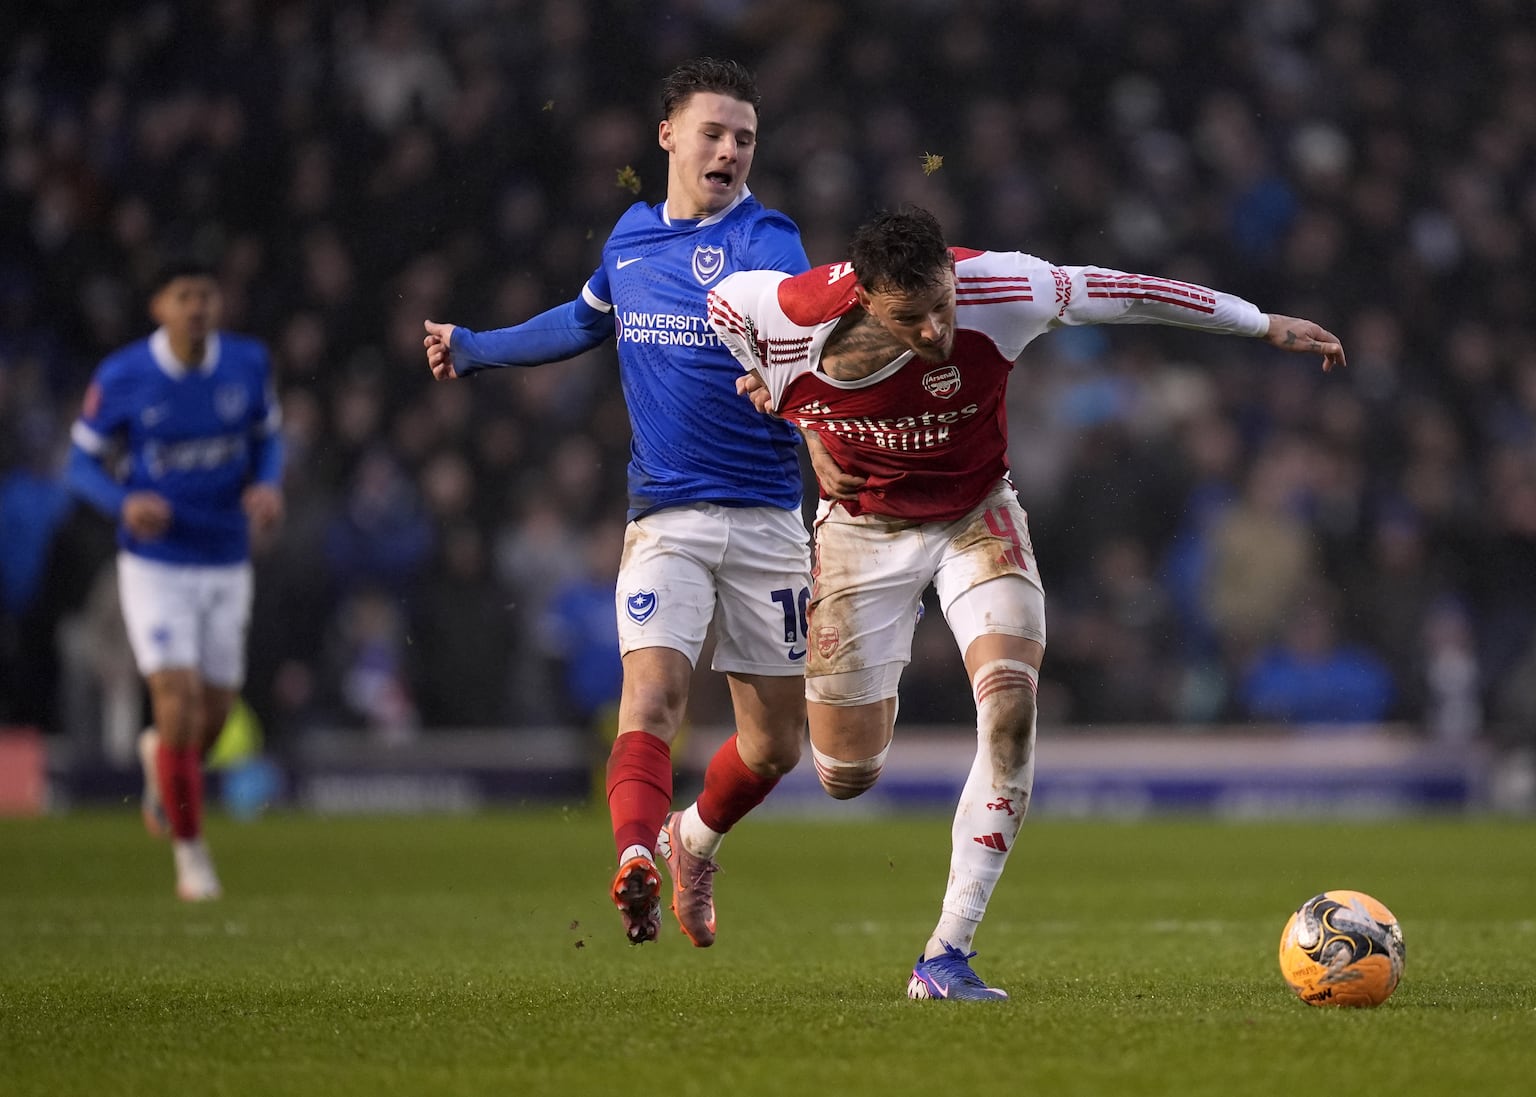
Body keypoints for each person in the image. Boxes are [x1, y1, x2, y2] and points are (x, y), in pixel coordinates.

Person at [706, 205, 1346, 999]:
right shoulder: (783, 311)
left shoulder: (1003, 287)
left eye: (942, 303)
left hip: (977, 517)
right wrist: (796, 416)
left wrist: (1260, 324)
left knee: (1010, 706)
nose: (936, 329)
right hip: (862, 533)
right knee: (845, 773)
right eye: (912, 317)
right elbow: (721, 313)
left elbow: (1125, 291)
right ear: (865, 298)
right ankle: (696, 827)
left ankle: (946, 951)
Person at [422, 58, 820, 947]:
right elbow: (580, 320)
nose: (730, 151)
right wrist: (474, 347)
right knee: (651, 698)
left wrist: (788, 372)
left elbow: (810, 327)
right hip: (666, 517)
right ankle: (636, 853)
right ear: (668, 136)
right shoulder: (631, 240)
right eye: (713, 133)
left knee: (774, 747)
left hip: (766, 519)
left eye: (745, 139)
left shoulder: (769, 240)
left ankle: (691, 838)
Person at [65, 257, 285, 901]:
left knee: (209, 719)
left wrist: (269, 484)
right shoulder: (125, 375)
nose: (196, 307)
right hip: (155, 563)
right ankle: (192, 856)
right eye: (183, 295)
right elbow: (79, 464)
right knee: (176, 695)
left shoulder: (247, 363)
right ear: (159, 306)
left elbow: (269, 439)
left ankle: (159, 755)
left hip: (226, 558)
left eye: (205, 295)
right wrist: (121, 502)